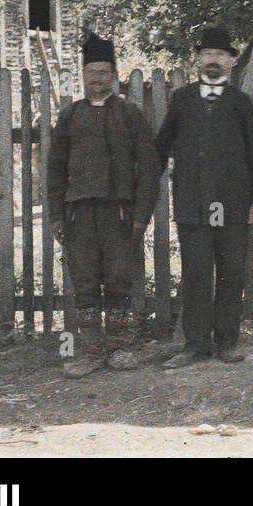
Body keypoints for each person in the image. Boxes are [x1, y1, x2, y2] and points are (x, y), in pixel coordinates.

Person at [47, 34, 162, 377]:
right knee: (83, 279)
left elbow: (149, 169)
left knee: (118, 278)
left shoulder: (130, 115)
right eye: (91, 72)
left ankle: (119, 348)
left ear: (114, 74)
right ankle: (91, 351)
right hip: (79, 212)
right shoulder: (70, 116)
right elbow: (55, 170)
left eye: (103, 71)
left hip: (119, 213)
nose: (97, 78)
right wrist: (56, 215)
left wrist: (141, 216)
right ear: (83, 75)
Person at [155, 26, 253, 368]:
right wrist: (145, 186)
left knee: (231, 272)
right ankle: (195, 345)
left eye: (220, 55)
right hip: (194, 203)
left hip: (231, 204)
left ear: (232, 62)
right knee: (196, 273)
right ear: (198, 60)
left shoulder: (241, 104)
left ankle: (227, 343)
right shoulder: (183, 100)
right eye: (207, 55)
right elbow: (161, 147)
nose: (213, 61)